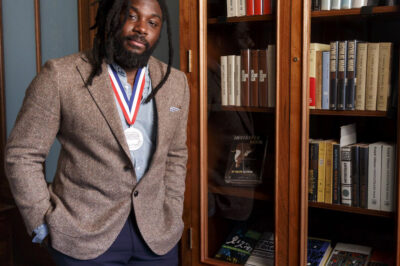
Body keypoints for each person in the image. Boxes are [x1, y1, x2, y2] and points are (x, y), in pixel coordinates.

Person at [4, 0, 189, 265]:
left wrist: (172, 209)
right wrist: (41, 223)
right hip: (83, 239)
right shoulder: (60, 75)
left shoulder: (175, 82)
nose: (141, 29)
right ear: (111, 18)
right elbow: (22, 154)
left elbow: (176, 155)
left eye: (152, 22)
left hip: (156, 238)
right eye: (131, 16)